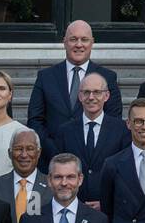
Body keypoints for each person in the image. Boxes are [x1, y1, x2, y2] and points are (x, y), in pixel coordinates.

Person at [26, 20, 122, 168]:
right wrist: (55, 151)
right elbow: (35, 120)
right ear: (64, 42)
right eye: (73, 39)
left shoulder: (108, 77)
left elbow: (113, 120)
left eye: (84, 39)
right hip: (53, 162)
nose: (79, 44)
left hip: (95, 163)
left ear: (92, 42)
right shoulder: (46, 77)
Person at [52, 72, 130, 207]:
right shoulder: (64, 131)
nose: (91, 97)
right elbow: (58, 171)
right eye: (86, 92)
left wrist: (106, 203)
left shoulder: (122, 130)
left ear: (106, 96)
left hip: (108, 211)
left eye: (97, 92)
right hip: (72, 207)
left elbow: (125, 174)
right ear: (80, 96)